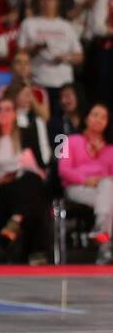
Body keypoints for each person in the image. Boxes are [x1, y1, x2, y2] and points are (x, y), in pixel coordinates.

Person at [0, 87, 51, 264]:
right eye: (0, 109)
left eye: (8, 109)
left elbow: (39, 162)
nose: (4, 113)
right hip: (1, 187)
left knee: (31, 181)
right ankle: (36, 251)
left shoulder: (26, 135)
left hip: (23, 184)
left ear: (15, 113)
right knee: (33, 194)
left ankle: (15, 222)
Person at [57, 102, 113, 264]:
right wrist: (86, 180)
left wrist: (102, 180)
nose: (99, 120)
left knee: (108, 188)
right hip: (77, 187)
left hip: (104, 189)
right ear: (86, 118)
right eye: (95, 115)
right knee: (110, 199)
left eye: (103, 117)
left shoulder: (110, 148)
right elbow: (63, 170)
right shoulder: (69, 141)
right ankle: (104, 244)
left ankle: (102, 236)